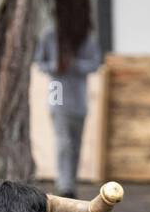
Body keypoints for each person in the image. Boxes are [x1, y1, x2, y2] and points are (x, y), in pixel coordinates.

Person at [33, 24, 101, 199]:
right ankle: (64, 185)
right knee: (63, 143)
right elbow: (40, 62)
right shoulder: (49, 35)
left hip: (79, 99)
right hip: (58, 95)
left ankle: (71, 182)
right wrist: (55, 66)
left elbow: (95, 63)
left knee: (75, 144)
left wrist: (74, 65)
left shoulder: (84, 36)